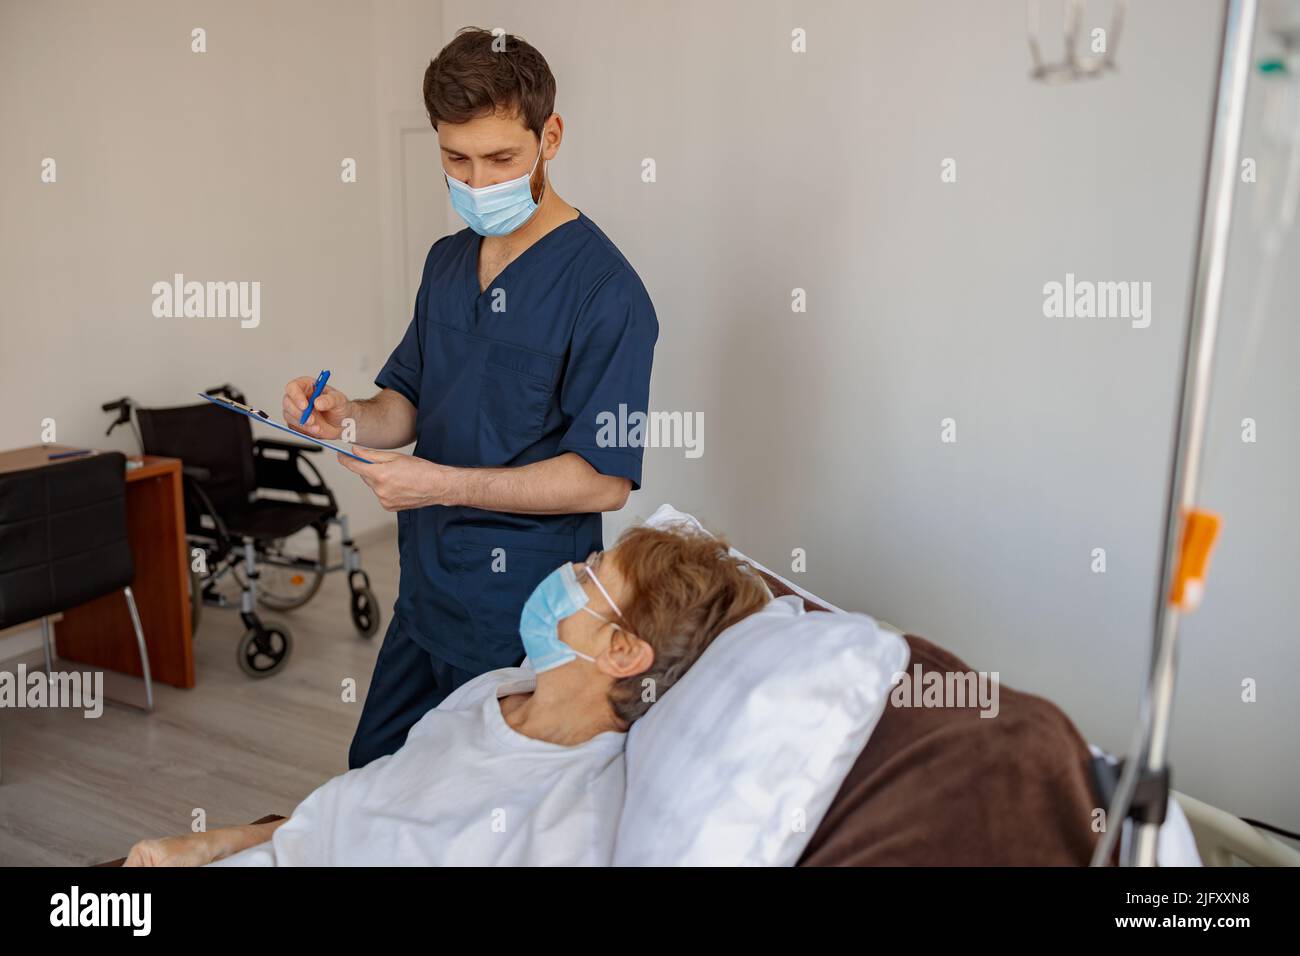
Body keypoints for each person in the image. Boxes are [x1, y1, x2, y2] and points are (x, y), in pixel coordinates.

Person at [280, 27, 658, 769]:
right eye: (456, 159)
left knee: (481, 805)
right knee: (375, 778)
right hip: (426, 598)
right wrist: (347, 414)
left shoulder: (607, 293)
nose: (478, 184)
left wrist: (440, 484)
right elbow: (406, 405)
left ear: (549, 137)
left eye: (500, 159)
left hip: (520, 613)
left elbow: (604, 479)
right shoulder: (446, 262)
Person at [123, 524, 770, 866]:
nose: (567, 574)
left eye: (591, 575)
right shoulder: (495, 692)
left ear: (623, 652)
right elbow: (365, 807)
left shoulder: (577, 814)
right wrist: (221, 842)